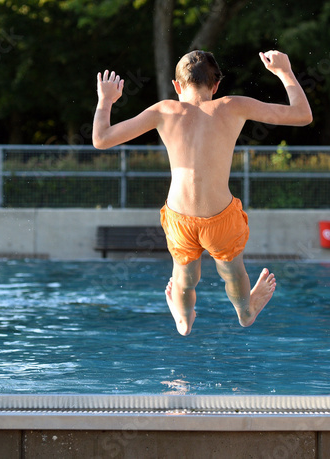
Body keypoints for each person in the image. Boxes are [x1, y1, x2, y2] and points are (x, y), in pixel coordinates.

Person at [92, 50, 312, 336]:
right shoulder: (232, 106)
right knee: (233, 273)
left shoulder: (164, 110)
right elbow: (302, 115)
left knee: (184, 277)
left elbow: (101, 139)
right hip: (220, 215)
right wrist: (284, 71)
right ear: (216, 85)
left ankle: (183, 320)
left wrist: (106, 100)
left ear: (177, 86)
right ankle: (246, 311)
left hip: (179, 216)